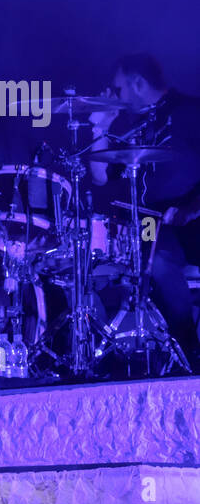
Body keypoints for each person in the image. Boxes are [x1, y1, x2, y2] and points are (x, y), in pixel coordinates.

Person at [88, 54, 200, 365]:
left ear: (138, 83)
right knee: (152, 257)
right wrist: (102, 126)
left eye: (119, 89)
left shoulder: (190, 112)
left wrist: (191, 208)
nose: (117, 96)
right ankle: (181, 347)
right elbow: (99, 177)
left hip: (190, 217)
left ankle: (189, 347)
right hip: (150, 221)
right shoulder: (133, 125)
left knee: (159, 257)